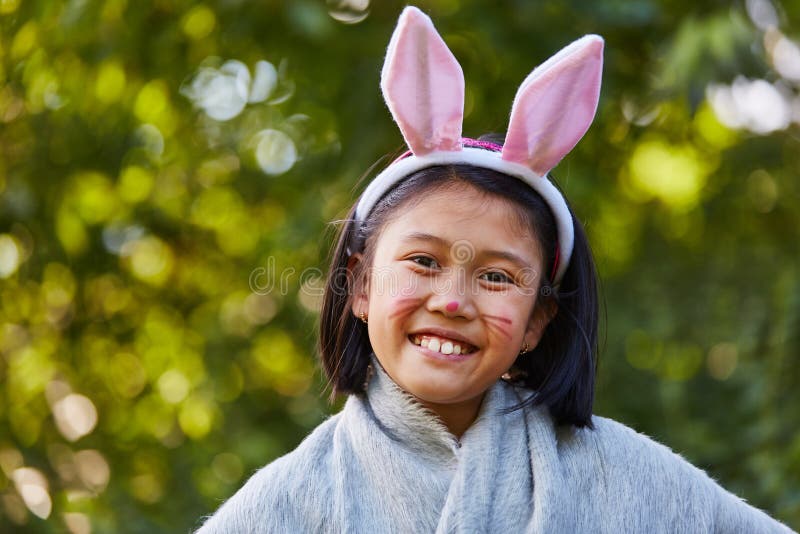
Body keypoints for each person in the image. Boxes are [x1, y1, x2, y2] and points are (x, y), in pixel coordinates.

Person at [194, 6, 794, 533]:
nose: (453, 301)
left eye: (497, 277)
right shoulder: (283, 507)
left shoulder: (637, 481)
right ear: (359, 286)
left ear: (536, 321)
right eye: (422, 262)